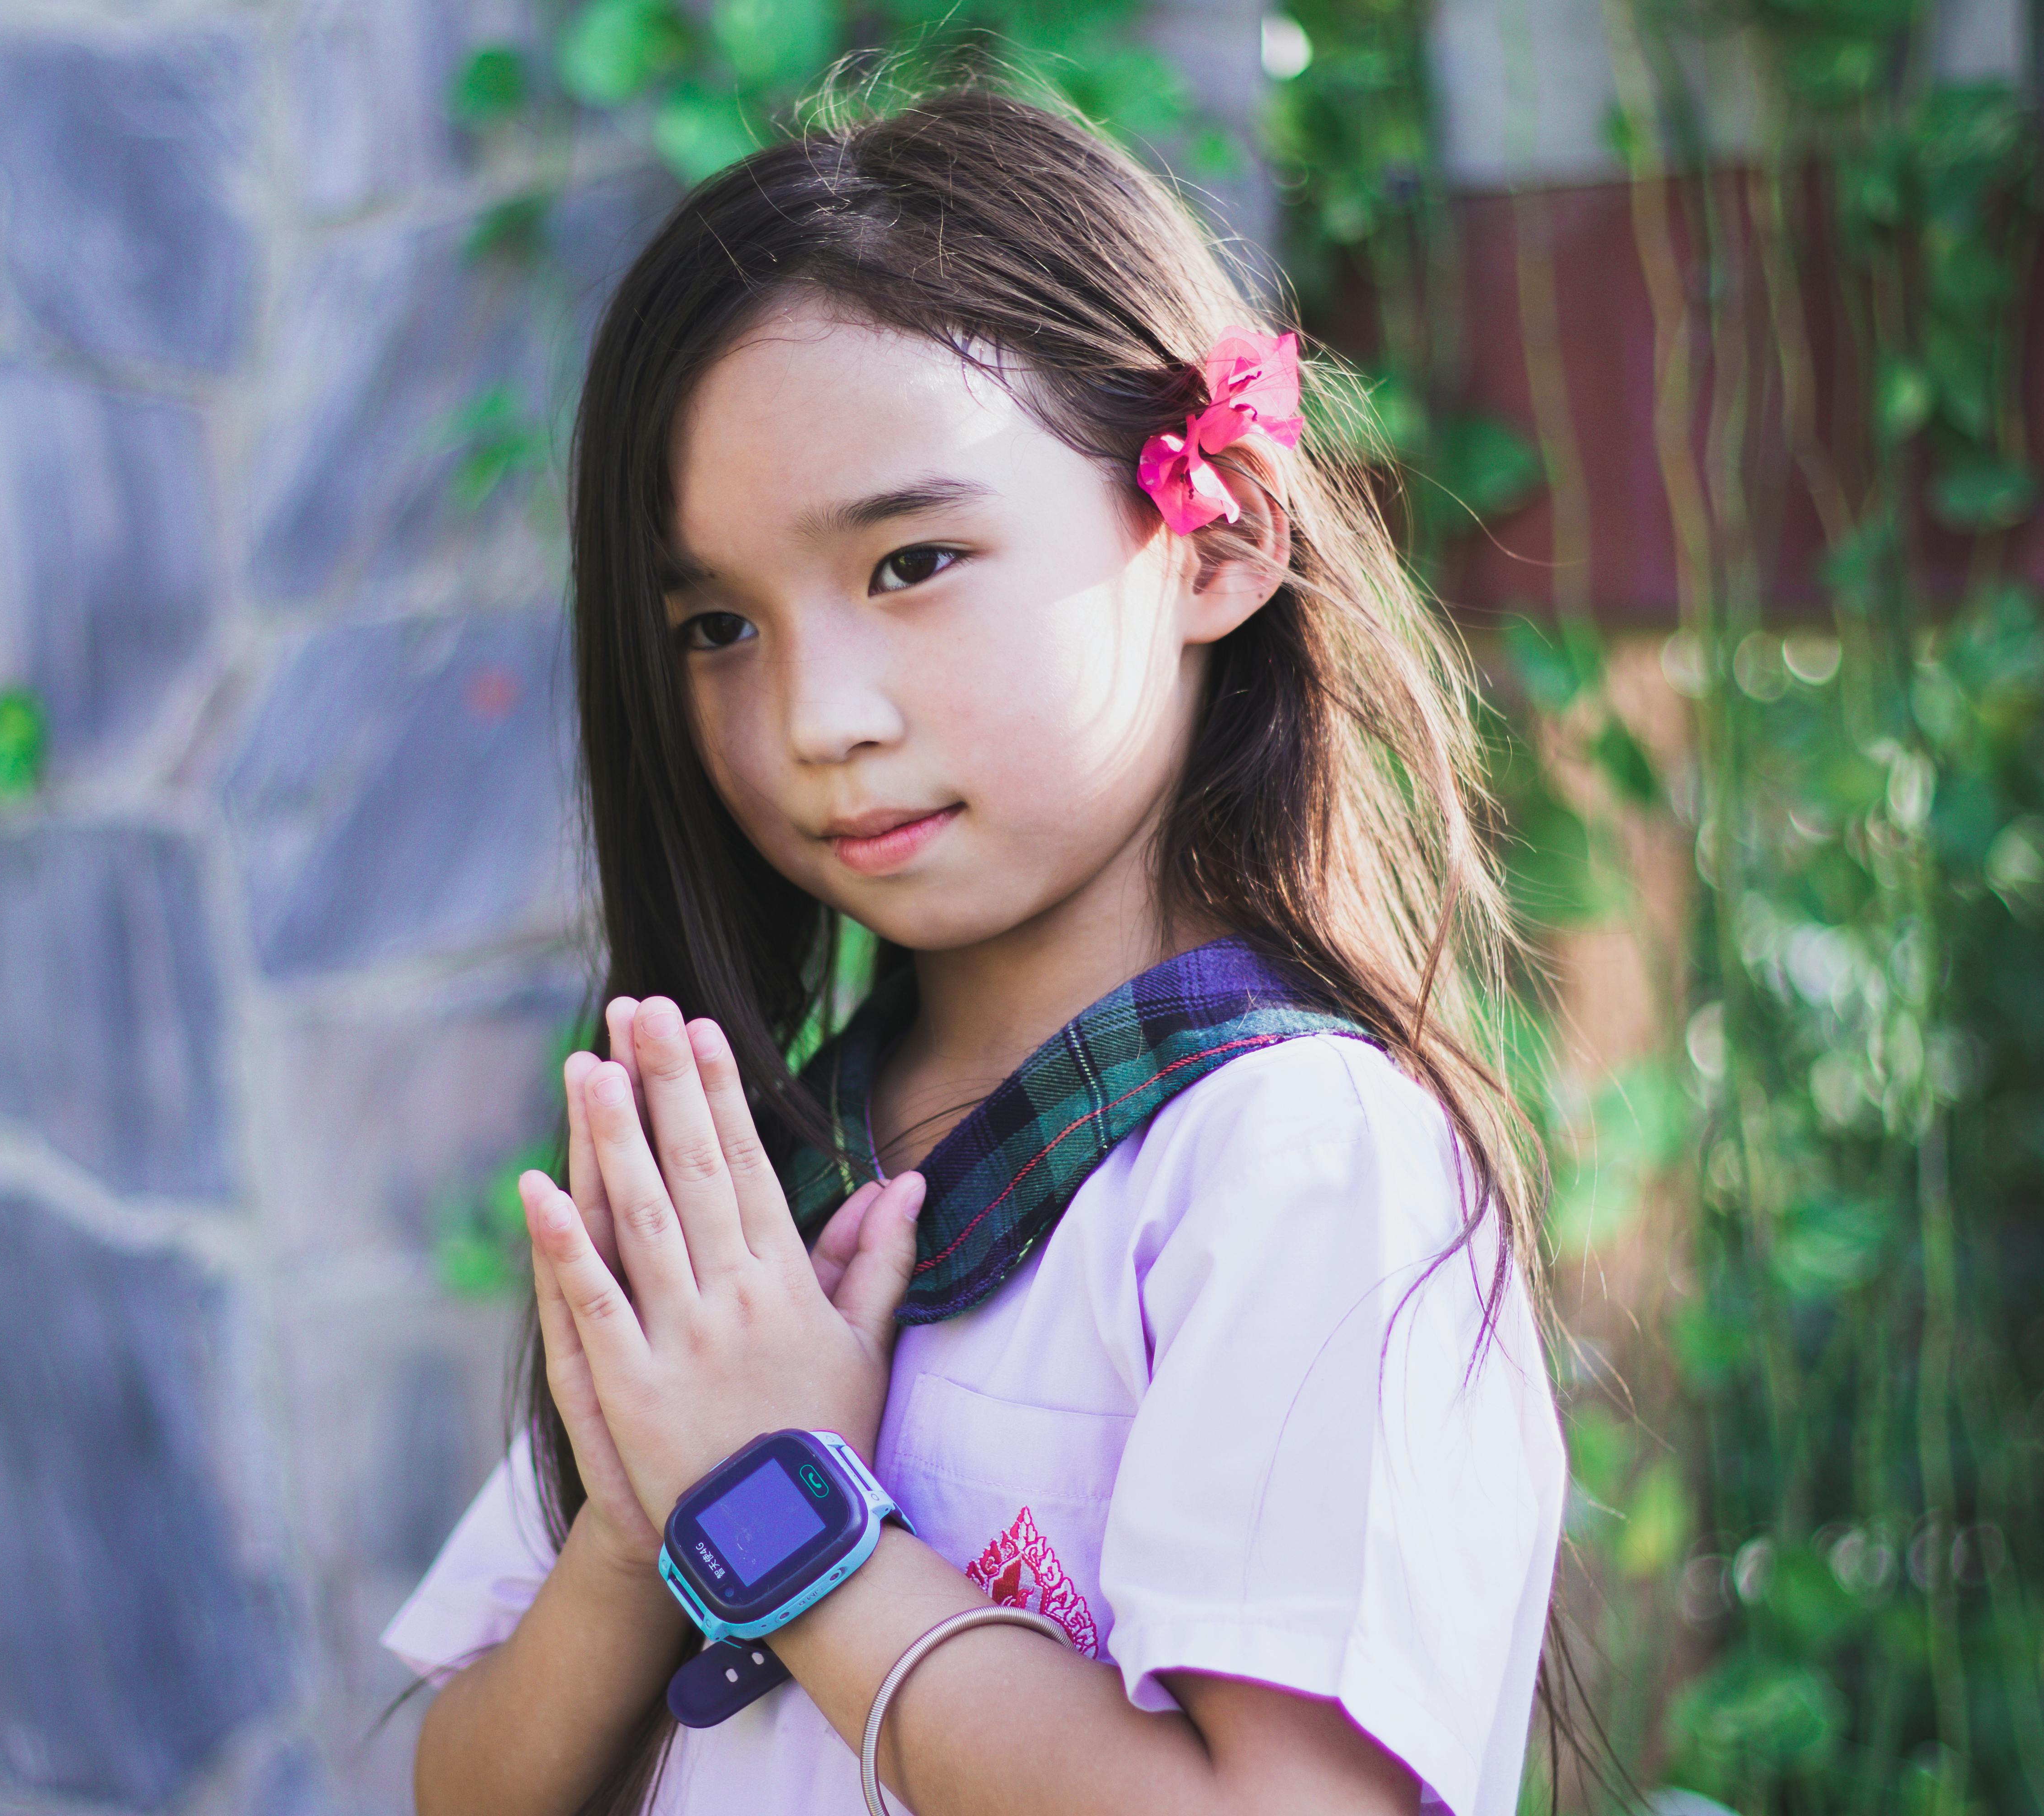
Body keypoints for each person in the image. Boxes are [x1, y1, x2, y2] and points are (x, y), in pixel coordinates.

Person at [384, 88, 1568, 1816]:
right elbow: (466, 1789)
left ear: (1220, 532)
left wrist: (781, 1519)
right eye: (717, 626)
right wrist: (647, 1531)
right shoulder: (763, 1173)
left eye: (913, 560)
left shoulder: (1298, 1167)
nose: (815, 718)